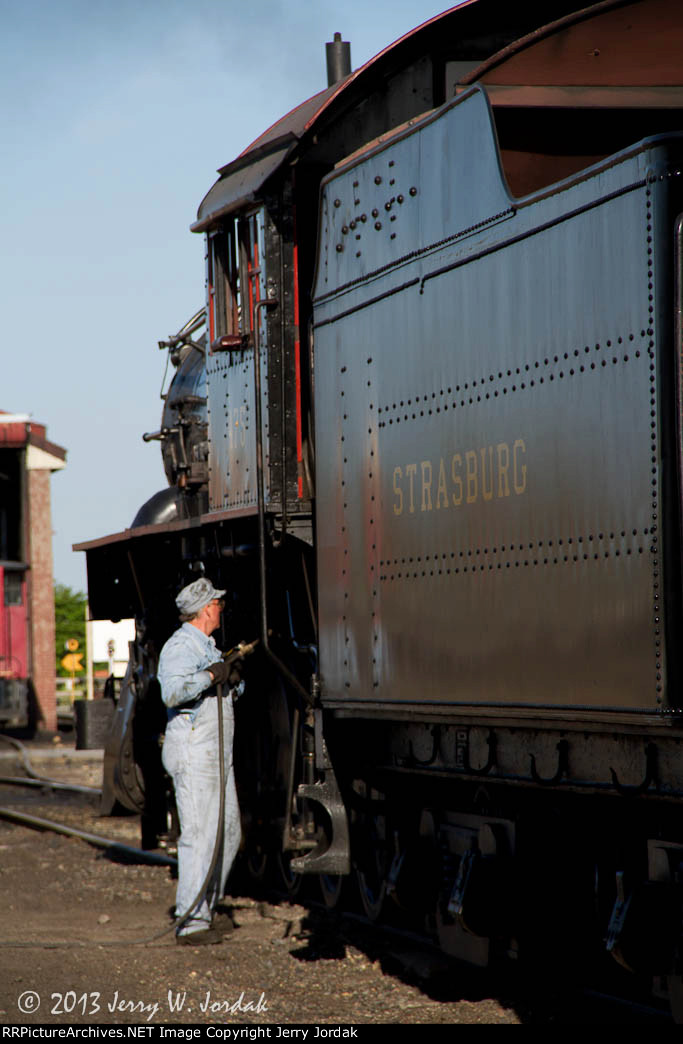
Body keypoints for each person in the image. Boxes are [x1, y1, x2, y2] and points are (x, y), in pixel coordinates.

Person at [158, 577, 242, 945]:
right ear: (207, 608)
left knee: (228, 831)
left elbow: (219, 689)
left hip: (215, 752)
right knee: (199, 834)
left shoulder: (205, 645)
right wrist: (212, 674)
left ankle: (206, 907)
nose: (221, 609)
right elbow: (173, 692)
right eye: (218, 604)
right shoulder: (179, 646)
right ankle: (191, 922)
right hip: (195, 752)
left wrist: (233, 678)